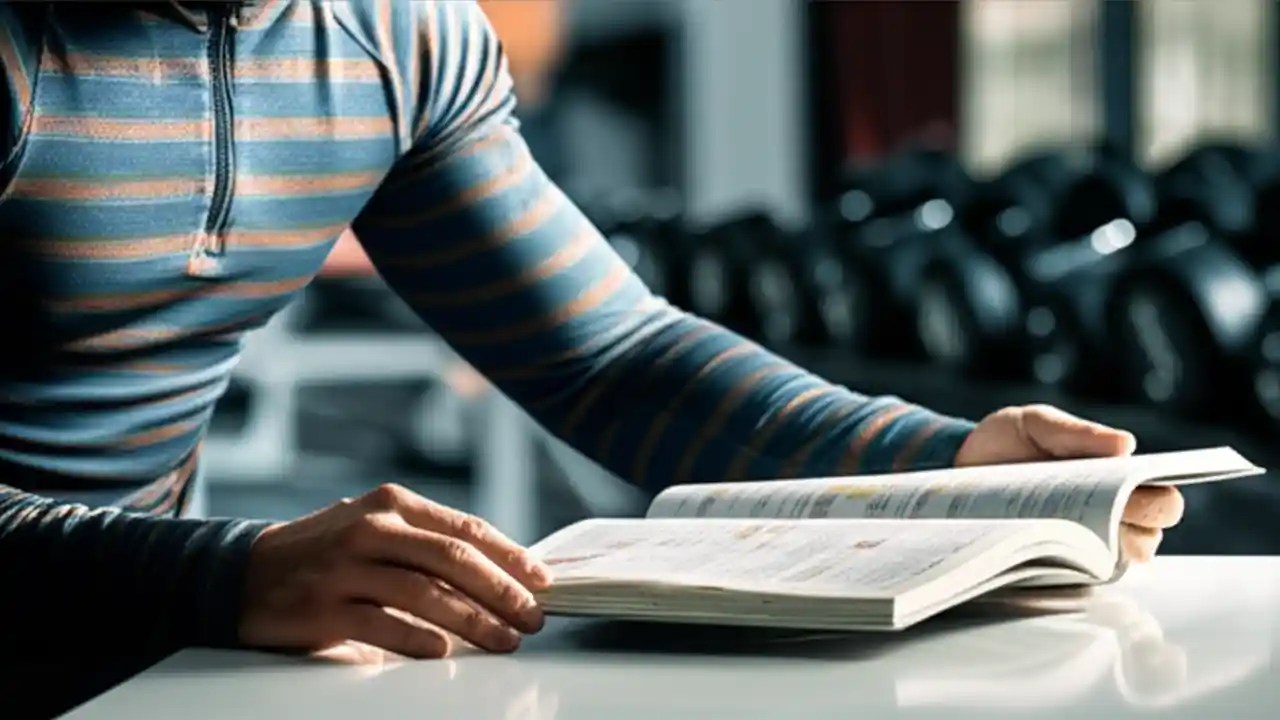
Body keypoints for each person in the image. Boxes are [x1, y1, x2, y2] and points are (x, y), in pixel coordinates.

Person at [0, 0, 1182, 704]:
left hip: (146, 654)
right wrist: (227, 574)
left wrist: (945, 466)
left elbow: (609, 356)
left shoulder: (397, 35)